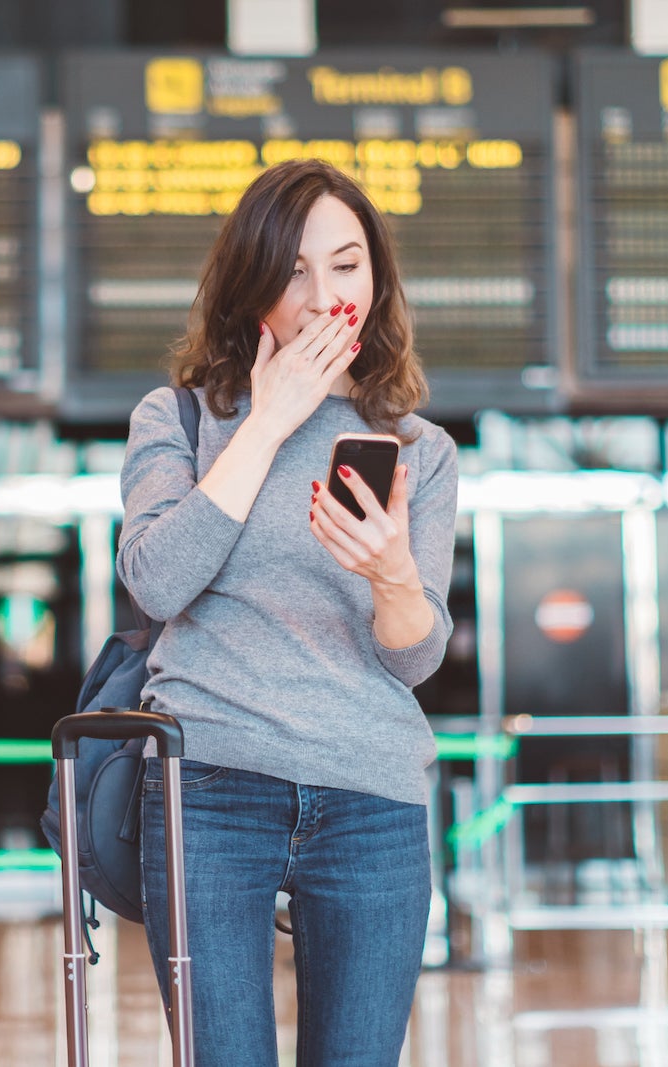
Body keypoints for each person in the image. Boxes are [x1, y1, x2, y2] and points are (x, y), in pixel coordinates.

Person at [116, 157, 459, 1066]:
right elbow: (157, 579)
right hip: (212, 788)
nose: (322, 296)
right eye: (293, 271)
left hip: (371, 795)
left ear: (376, 277)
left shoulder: (420, 448)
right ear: (252, 286)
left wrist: (391, 573)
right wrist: (268, 422)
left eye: (346, 265)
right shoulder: (180, 418)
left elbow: (416, 659)